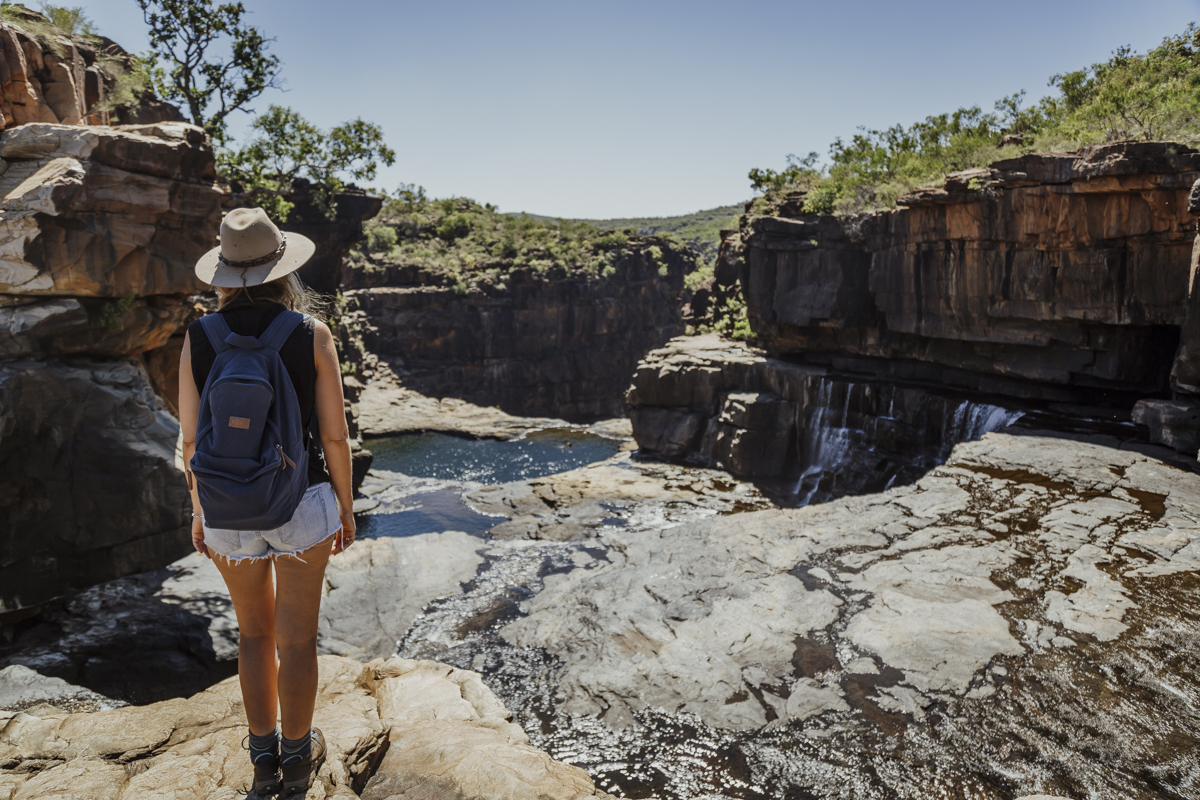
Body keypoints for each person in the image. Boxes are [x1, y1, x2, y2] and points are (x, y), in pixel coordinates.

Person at [178, 207, 357, 796]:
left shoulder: (200, 336)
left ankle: (261, 763)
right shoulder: (311, 333)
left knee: (253, 635)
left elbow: (189, 438)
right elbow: (333, 435)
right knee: (297, 638)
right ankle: (299, 760)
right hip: (301, 503)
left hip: (228, 507)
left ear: (224, 275)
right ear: (284, 270)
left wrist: (201, 512)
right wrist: (346, 508)